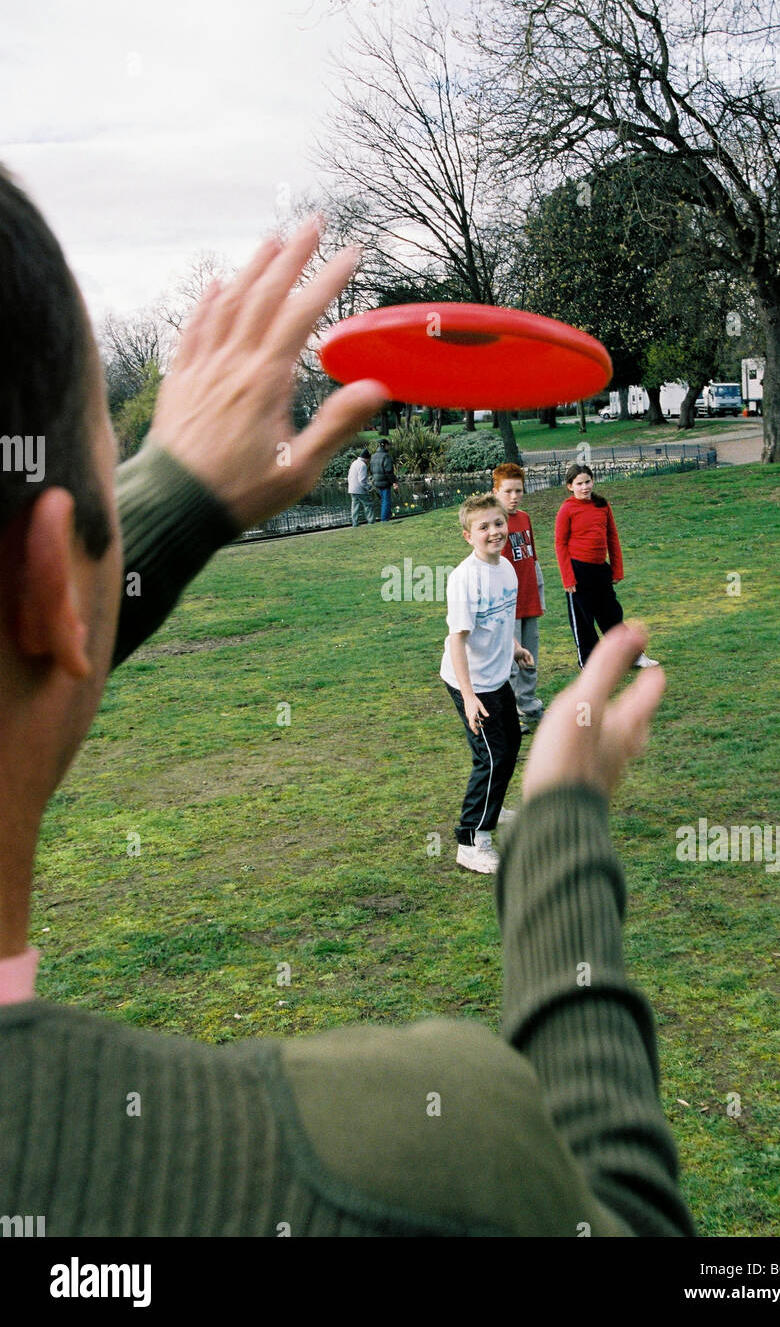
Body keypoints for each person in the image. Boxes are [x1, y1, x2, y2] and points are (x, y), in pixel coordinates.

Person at [0, 169, 693, 1236]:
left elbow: (47, 599)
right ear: (51, 579)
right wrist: (560, 839)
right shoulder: (399, 1166)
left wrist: (171, 490)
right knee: (490, 770)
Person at [439, 494, 535, 875]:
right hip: (471, 682)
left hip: (496, 678)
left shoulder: (507, 568)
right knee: (491, 758)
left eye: (498, 523)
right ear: (468, 536)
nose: (494, 532)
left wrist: (514, 648)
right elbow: (456, 641)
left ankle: (490, 809)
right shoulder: (465, 578)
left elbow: (501, 618)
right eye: (484, 527)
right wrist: (468, 697)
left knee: (509, 746)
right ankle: (471, 841)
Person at [555, 462, 659, 671]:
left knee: (612, 615)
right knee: (584, 622)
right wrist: (568, 579)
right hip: (578, 572)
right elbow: (560, 544)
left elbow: (612, 536)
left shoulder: (602, 505)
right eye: (579, 484)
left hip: (600, 570)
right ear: (570, 486)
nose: (585, 487)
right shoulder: (567, 509)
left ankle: (633, 656)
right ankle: (591, 664)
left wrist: (617, 569)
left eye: (588, 482)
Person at [493, 462, 546, 734]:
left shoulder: (524, 518)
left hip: (529, 600)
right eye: (508, 491)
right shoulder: (493, 524)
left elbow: (532, 558)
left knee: (530, 656)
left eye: (519, 491)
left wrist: (539, 596)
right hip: (506, 606)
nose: (514, 497)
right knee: (510, 660)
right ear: (496, 491)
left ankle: (528, 703)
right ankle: (509, 710)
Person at [370, 436, 396, 521]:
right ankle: (384, 519)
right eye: (388, 445)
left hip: (376, 481)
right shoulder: (386, 456)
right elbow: (389, 471)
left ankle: (386, 516)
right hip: (384, 482)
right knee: (386, 501)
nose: (389, 447)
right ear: (385, 445)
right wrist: (394, 482)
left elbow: (371, 469)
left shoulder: (373, 456)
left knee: (383, 501)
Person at [347, 446, 375, 525]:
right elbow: (362, 480)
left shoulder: (354, 463)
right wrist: (369, 487)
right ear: (366, 458)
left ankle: (355, 523)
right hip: (359, 489)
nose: (369, 461)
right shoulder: (363, 465)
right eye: (368, 459)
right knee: (368, 504)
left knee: (355, 507)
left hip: (352, 489)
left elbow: (349, 477)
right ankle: (371, 521)